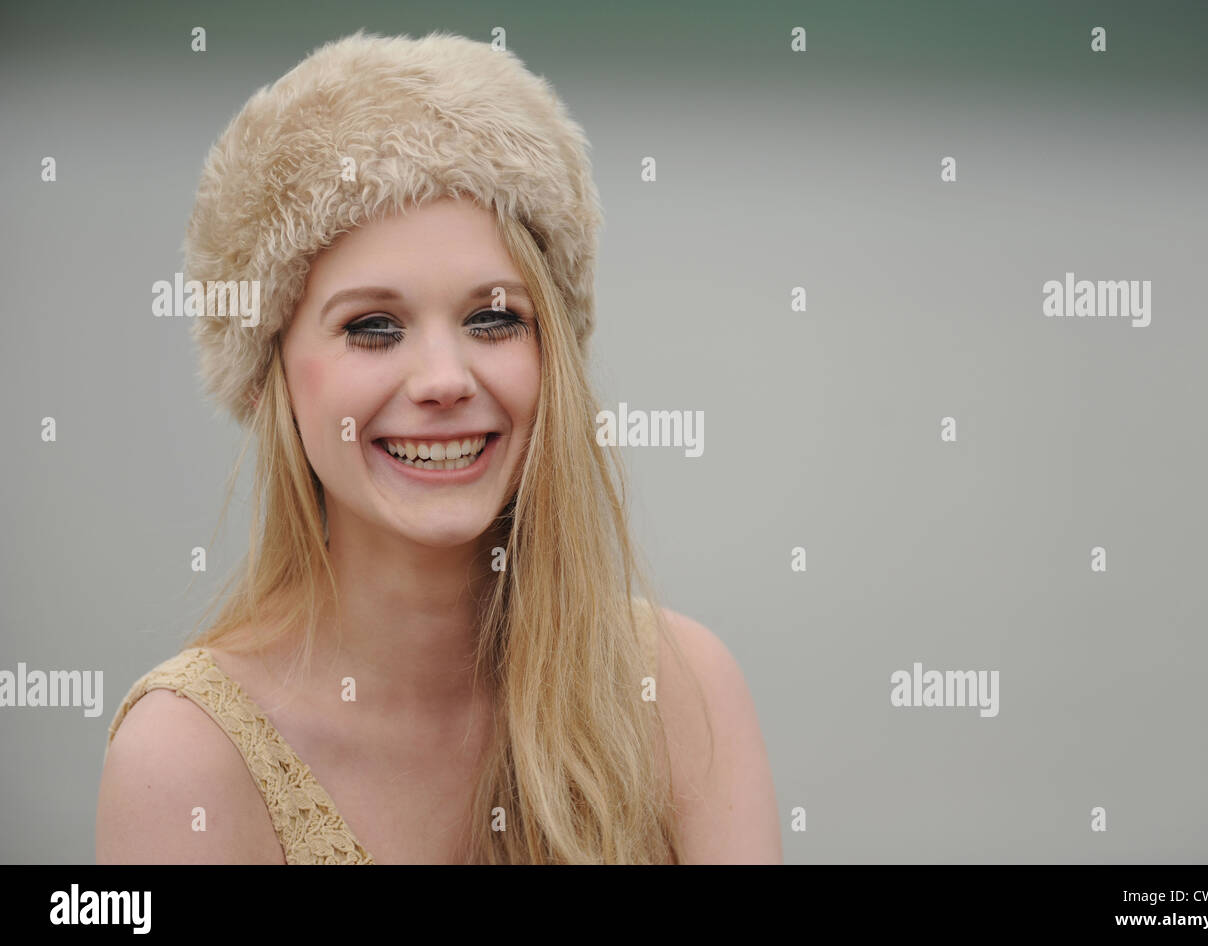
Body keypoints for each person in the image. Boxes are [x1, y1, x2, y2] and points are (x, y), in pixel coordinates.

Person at [95, 30, 780, 864]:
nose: (444, 379)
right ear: (264, 378)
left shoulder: (677, 692)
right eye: (373, 327)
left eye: (493, 318)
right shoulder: (187, 759)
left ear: (550, 355)